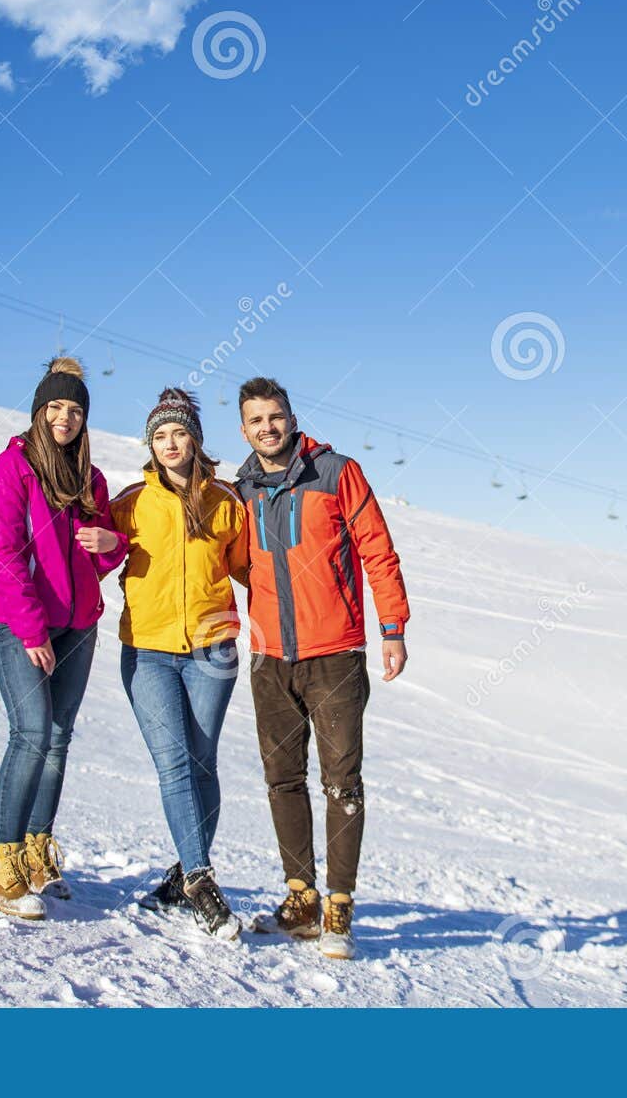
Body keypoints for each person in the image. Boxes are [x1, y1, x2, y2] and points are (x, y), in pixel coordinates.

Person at [233, 377, 410, 959]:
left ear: (291, 417)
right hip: (270, 660)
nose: (268, 427)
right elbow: (244, 565)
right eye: (256, 420)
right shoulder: (244, 489)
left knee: (342, 782)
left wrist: (392, 629)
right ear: (244, 428)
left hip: (334, 655)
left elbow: (376, 548)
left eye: (275, 416)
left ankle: (339, 905)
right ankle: (300, 897)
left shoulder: (335, 472)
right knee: (282, 780)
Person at [0, 357, 127, 920]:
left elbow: (106, 554)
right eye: (56, 407)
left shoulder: (90, 479)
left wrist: (109, 540)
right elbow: (3, 556)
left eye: (76, 409)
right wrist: (32, 628)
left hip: (78, 625)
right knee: (31, 732)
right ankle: (3, 862)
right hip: (22, 625)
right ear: (39, 411)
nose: (66, 417)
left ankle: (38, 849)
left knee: (59, 737)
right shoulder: (11, 470)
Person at [110, 387, 250, 940]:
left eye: (179, 433)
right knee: (174, 764)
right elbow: (89, 559)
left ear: (195, 439)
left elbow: (248, 570)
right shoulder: (131, 503)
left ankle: (179, 877)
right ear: (151, 444)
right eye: (160, 436)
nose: (170, 444)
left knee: (202, 765)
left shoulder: (224, 503)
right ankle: (199, 877)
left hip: (213, 651)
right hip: (148, 649)